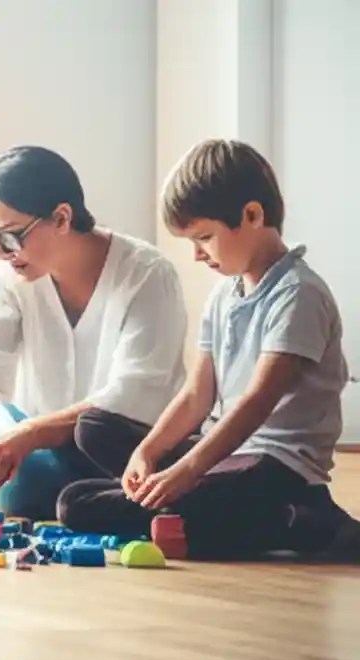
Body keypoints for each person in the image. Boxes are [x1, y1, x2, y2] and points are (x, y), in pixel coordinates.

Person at [58, 139, 360, 559]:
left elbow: (257, 403)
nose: (198, 255)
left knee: (115, 505)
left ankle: (299, 521)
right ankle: (191, 511)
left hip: (274, 466)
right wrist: (149, 453)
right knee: (87, 451)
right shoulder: (223, 297)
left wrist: (186, 470)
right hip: (220, 456)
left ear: (252, 215)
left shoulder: (299, 294)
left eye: (204, 237)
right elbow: (197, 395)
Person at [0, 146, 188, 520]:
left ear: (62, 218)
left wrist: (31, 435)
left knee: (11, 488)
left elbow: (132, 397)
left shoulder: (147, 274)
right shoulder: (11, 277)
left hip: (113, 449)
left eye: (10, 237)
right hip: (22, 431)